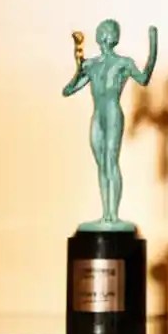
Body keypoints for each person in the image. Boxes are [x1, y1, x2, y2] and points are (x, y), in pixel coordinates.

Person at [62, 19, 158, 230]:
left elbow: (143, 79)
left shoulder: (123, 63)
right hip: (98, 115)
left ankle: (113, 214)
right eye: (104, 31)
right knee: (101, 164)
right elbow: (68, 90)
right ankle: (105, 213)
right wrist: (78, 67)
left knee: (111, 161)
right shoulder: (91, 65)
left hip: (113, 113)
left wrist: (153, 46)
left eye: (111, 32)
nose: (107, 35)